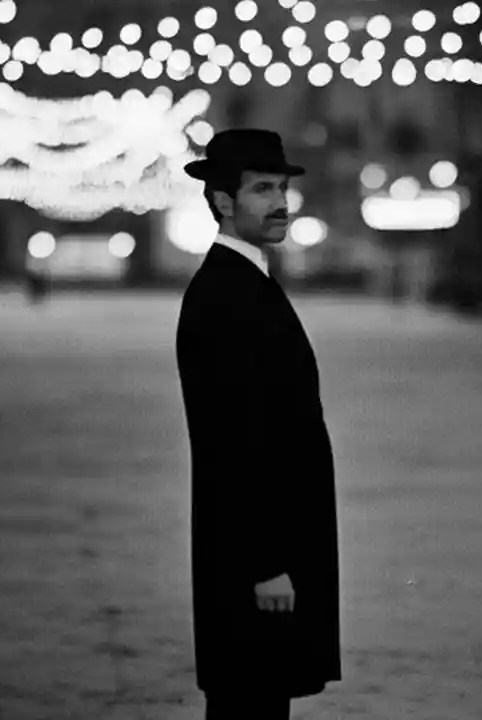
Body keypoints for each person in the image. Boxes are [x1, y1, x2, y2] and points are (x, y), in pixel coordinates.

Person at [175, 129, 342, 720]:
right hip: (257, 567)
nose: (280, 202)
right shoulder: (226, 294)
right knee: (249, 709)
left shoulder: (248, 282)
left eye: (284, 187)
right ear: (223, 201)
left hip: (265, 558)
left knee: (256, 707)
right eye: (262, 188)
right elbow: (233, 446)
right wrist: (267, 565)